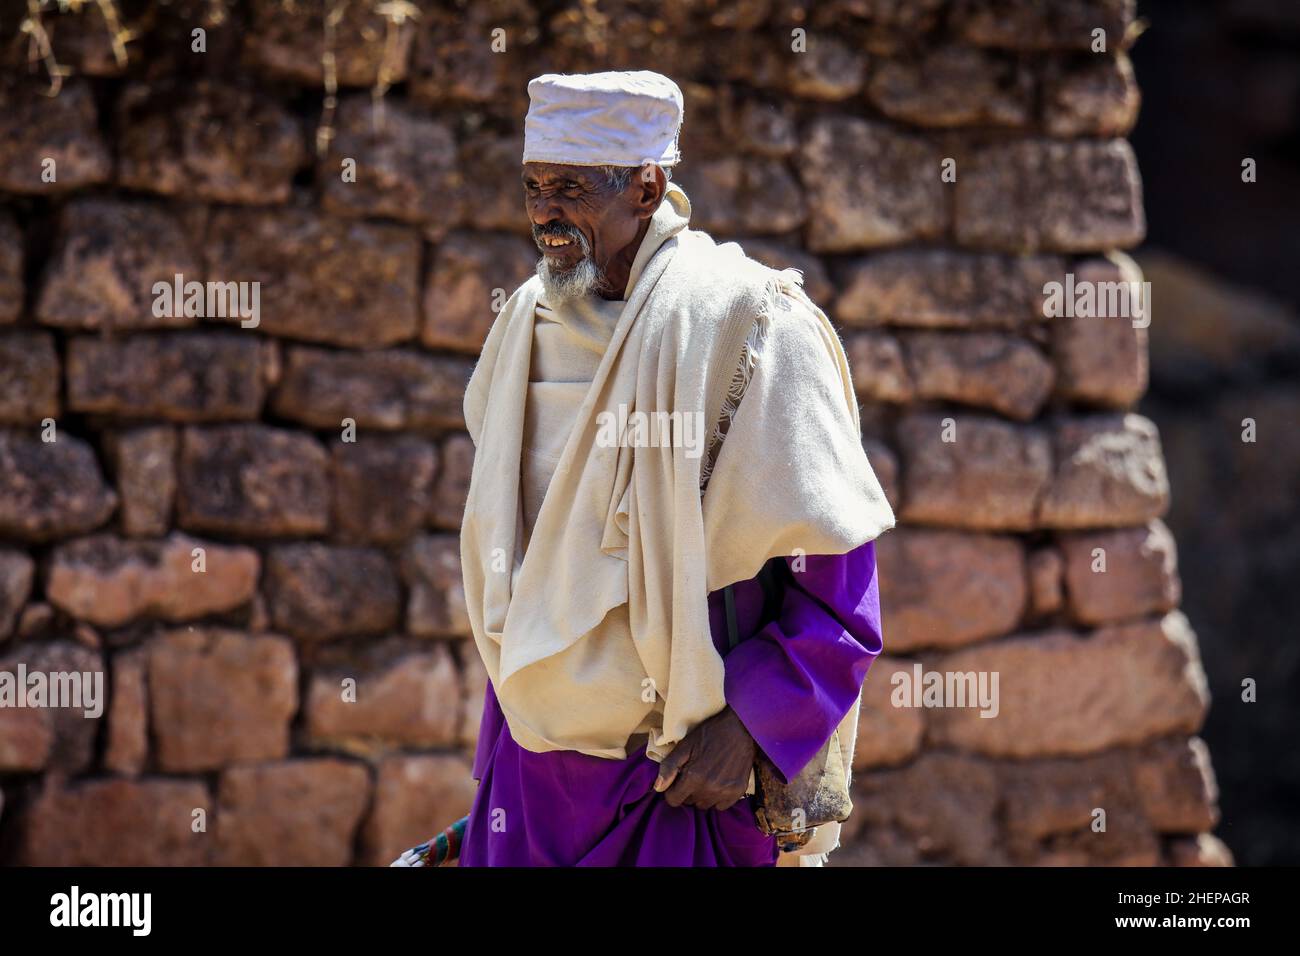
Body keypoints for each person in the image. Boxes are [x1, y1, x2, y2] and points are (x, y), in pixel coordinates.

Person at [454, 70, 895, 866]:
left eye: (571, 188)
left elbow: (839, 587)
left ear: (647, 189)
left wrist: (753, 727)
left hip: (683, 785)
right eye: (533, 188)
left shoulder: (748, 327)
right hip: (529, 785)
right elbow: (527, 589)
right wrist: (495, 772)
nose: (546, 213)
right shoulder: (521, 326)